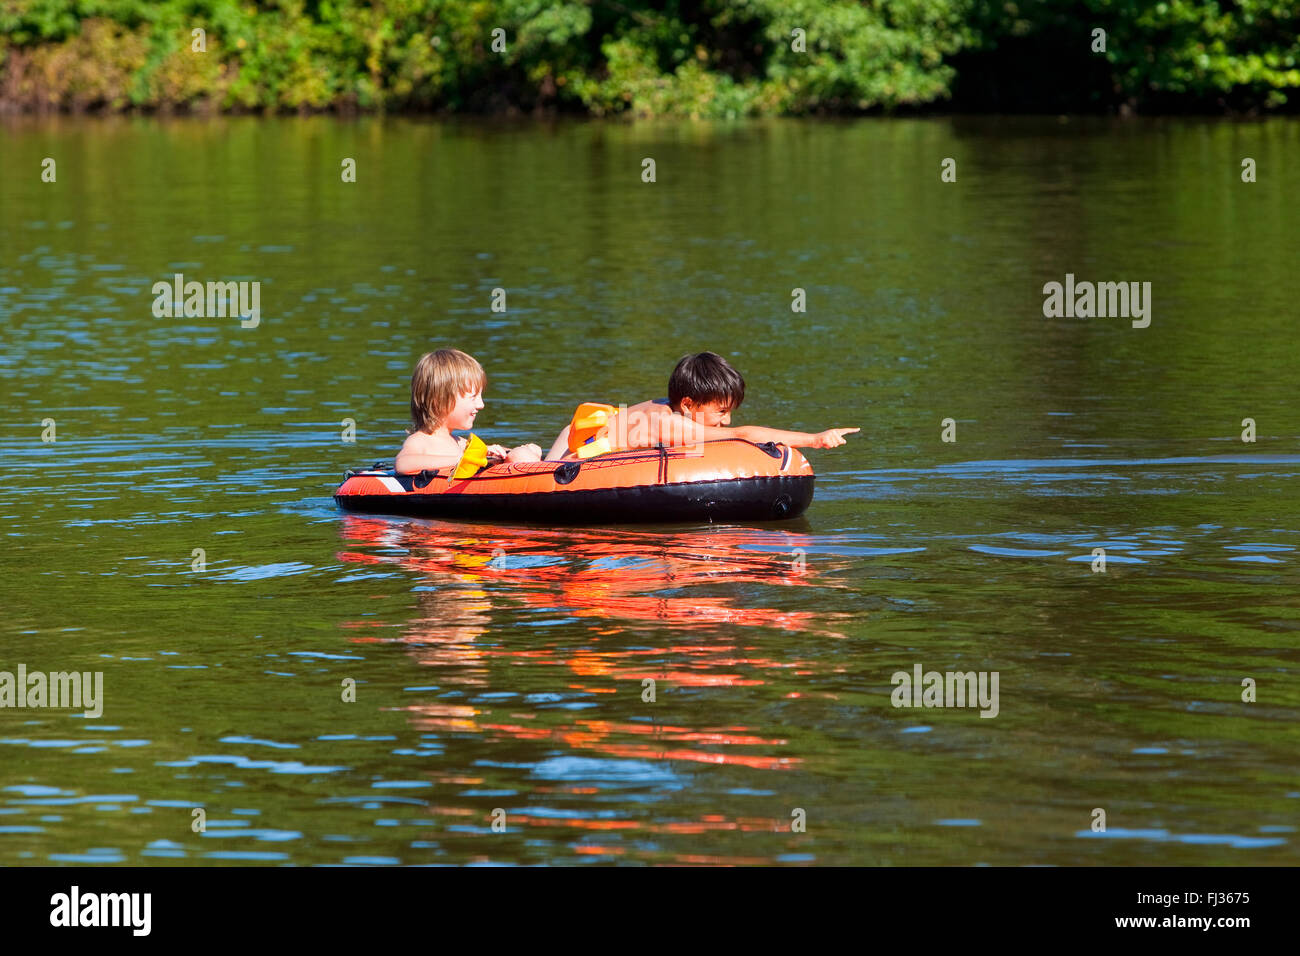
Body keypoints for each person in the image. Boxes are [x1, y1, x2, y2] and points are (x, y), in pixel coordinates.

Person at [544, 351, 858, 461]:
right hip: (578, 453)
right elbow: (745, 434)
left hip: (578, 433)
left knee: (534, 459)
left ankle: (526, 458)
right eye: (720, 412)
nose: (725, 420)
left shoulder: (666, 407)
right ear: (688, 404)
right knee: (537, 465)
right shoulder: (671, 423)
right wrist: (815, 439)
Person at [395, 349, 541, 475]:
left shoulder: (459, 442)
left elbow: (493, 455)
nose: (481, 405)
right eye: (473, 397)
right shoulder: (421, 440)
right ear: (439, 400)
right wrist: (462, 459)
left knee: (521, 455)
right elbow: (402, 463)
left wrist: (517, 450)